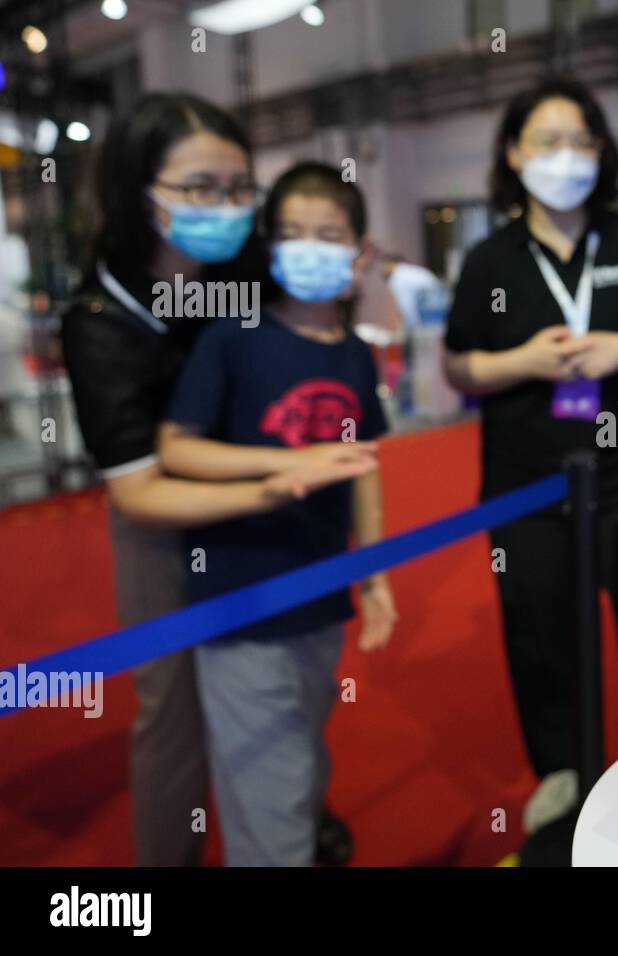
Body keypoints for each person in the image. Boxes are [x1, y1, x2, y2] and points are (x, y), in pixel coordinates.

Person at [60, 93, 370, 867]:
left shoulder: (243, 271)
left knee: (290, 690)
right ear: (141, 189)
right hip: (171, 526)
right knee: (174, 716)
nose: (225, 207)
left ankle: (292, 820)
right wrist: (277, 481)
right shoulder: (103, 316)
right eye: (200, 187)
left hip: (278, 514)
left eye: (238, 189)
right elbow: (138, 492)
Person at [443, 76, 618, 863]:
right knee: (543, 641)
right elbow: (459, 368)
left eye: (581, 141)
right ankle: (564, 776)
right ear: (513, 154)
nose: (566, 157)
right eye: (546, 141)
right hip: (529, 486)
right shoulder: (491, 258)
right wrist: (521, 360)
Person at [157, 162, 396, 866]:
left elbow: (364, 472)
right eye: (292, 233)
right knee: (273, 781)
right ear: (268, 245)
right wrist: (285, 465)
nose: (309, 248)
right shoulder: (233, 337)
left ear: (357, 251)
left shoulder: (355, 356)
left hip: (322, 598)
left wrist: (376, 577)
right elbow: (178, 449)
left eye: (328, 234)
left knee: (301, 753)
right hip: (239, 599)